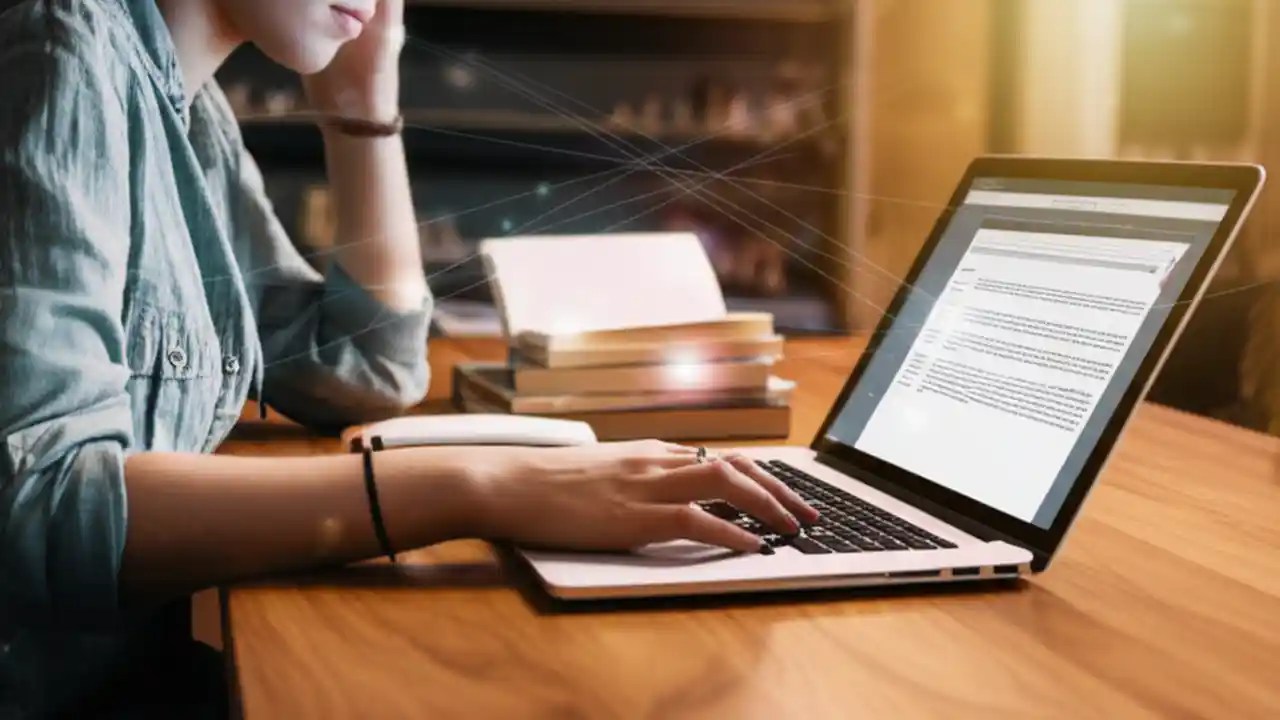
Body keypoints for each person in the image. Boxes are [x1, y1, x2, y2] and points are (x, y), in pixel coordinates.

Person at [0, 0, 817, 716]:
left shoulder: (190, 107)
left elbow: (363, 367)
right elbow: (45, 508)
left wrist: (361, 107)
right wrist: (477, 484)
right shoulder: (58, 56)